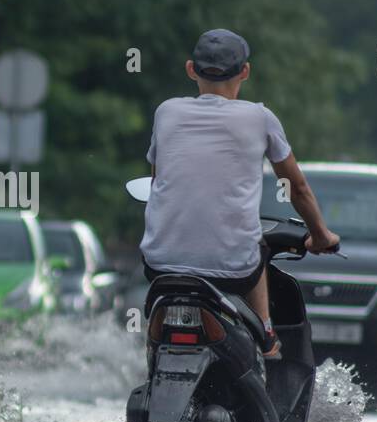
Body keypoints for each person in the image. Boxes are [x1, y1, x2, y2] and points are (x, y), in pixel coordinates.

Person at [140, 29, 339, 358]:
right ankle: (266, 337)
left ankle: (155, 351)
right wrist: (320, 235)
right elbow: (298, 187)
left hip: (161, 266)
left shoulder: (166, 113)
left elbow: (158, 182)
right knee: (254, 245)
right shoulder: (259, 118)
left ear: (191, 69)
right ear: (244, 72)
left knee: (157, 332)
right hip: (233, 270)